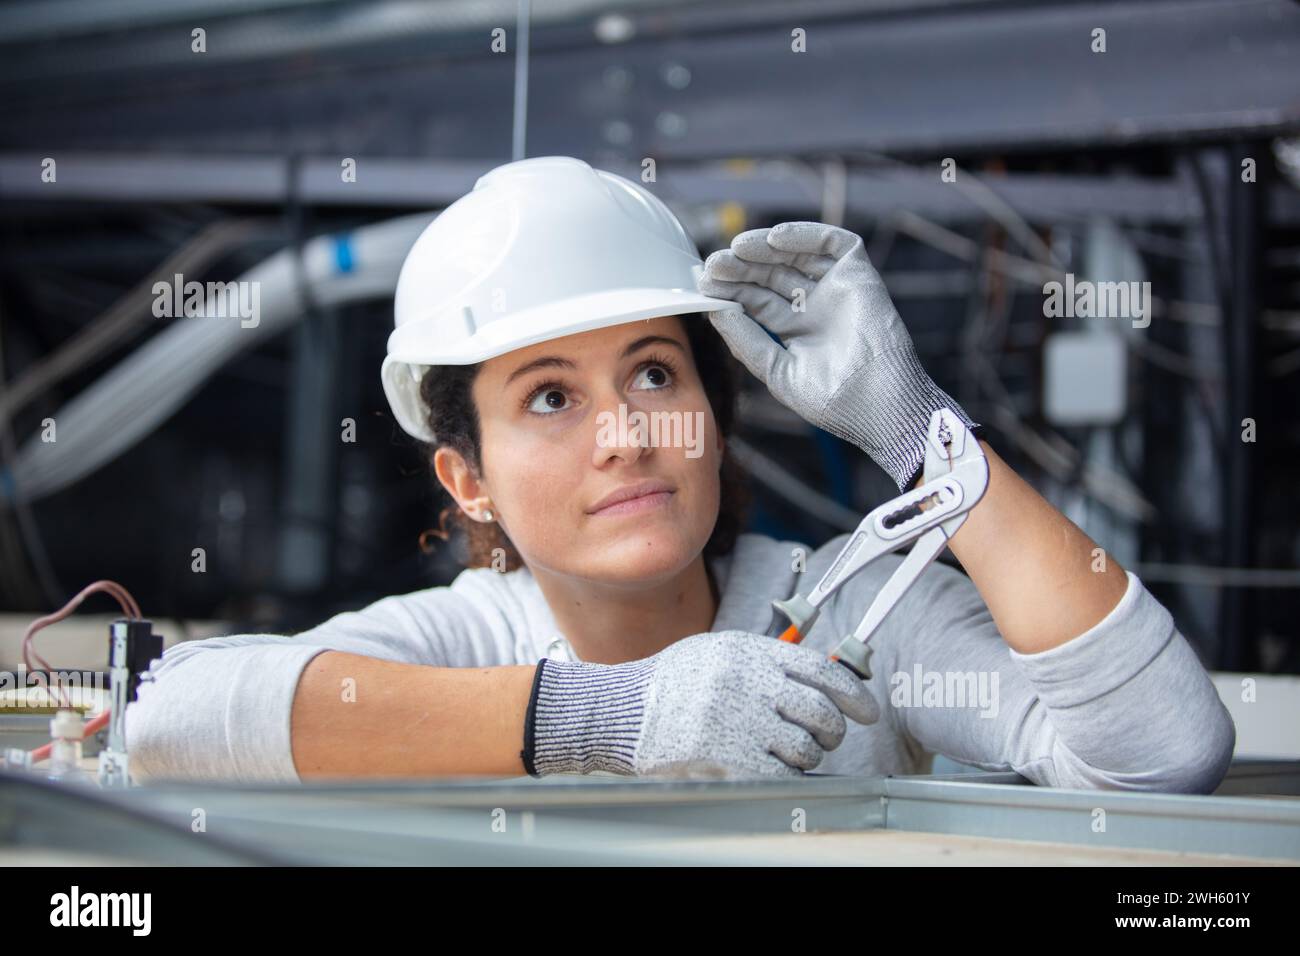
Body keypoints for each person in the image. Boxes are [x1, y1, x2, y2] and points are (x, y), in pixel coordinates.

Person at [125, 157, 1235, 790]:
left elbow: (1164, 756)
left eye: (654, 373)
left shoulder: (858, 603)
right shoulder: (467, 637)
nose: (625, 434)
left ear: (710, 410)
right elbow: (173, 715)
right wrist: (607, 713)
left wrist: (918, 431)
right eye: (550, 397)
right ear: (467, 479)